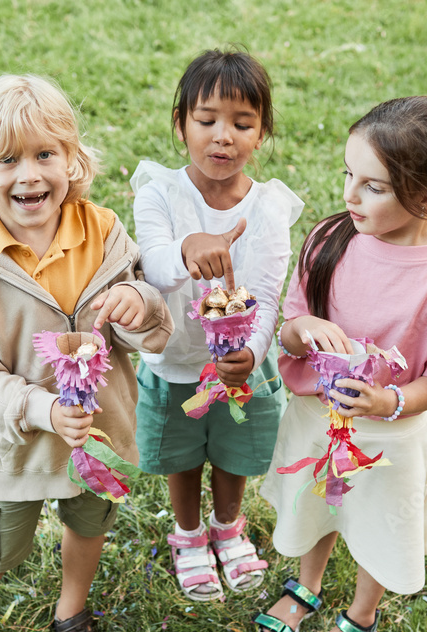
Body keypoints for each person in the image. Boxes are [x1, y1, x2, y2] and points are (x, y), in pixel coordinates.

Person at [0, 74, 173, 632]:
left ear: (72, 158)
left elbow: (143, 329)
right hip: (21, 445)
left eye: (44, 154)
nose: (28, 175)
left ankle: (71, 610)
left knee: (88, 524)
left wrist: (141, 305)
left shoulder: (103, 233)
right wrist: (41, 409)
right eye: (6, 160)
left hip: (99, 432)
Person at [256, 96, 427, 632]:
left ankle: (360, 616)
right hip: (317, 421)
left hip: (389, 437)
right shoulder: (331, 239)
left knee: (375, 527)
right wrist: (307, 328)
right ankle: (306, 586)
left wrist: (389, 399)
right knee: (316, 507)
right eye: (348, 174)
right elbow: (289, 329)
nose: (349, 194)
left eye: (373, 186)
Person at [131, 49, 304, 602]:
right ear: (181, 125)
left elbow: (271, 295)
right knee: (181, 456)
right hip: (175, 359)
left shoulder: (269, 212)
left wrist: (252, 351)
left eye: (242, 123)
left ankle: (228, 525)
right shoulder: (159, 193)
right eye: (206, 121)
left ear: (262, 134)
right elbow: (154, 263)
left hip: (238, 368)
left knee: (232, 452)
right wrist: (190, 247)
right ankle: (187, 532)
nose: (222, 136)